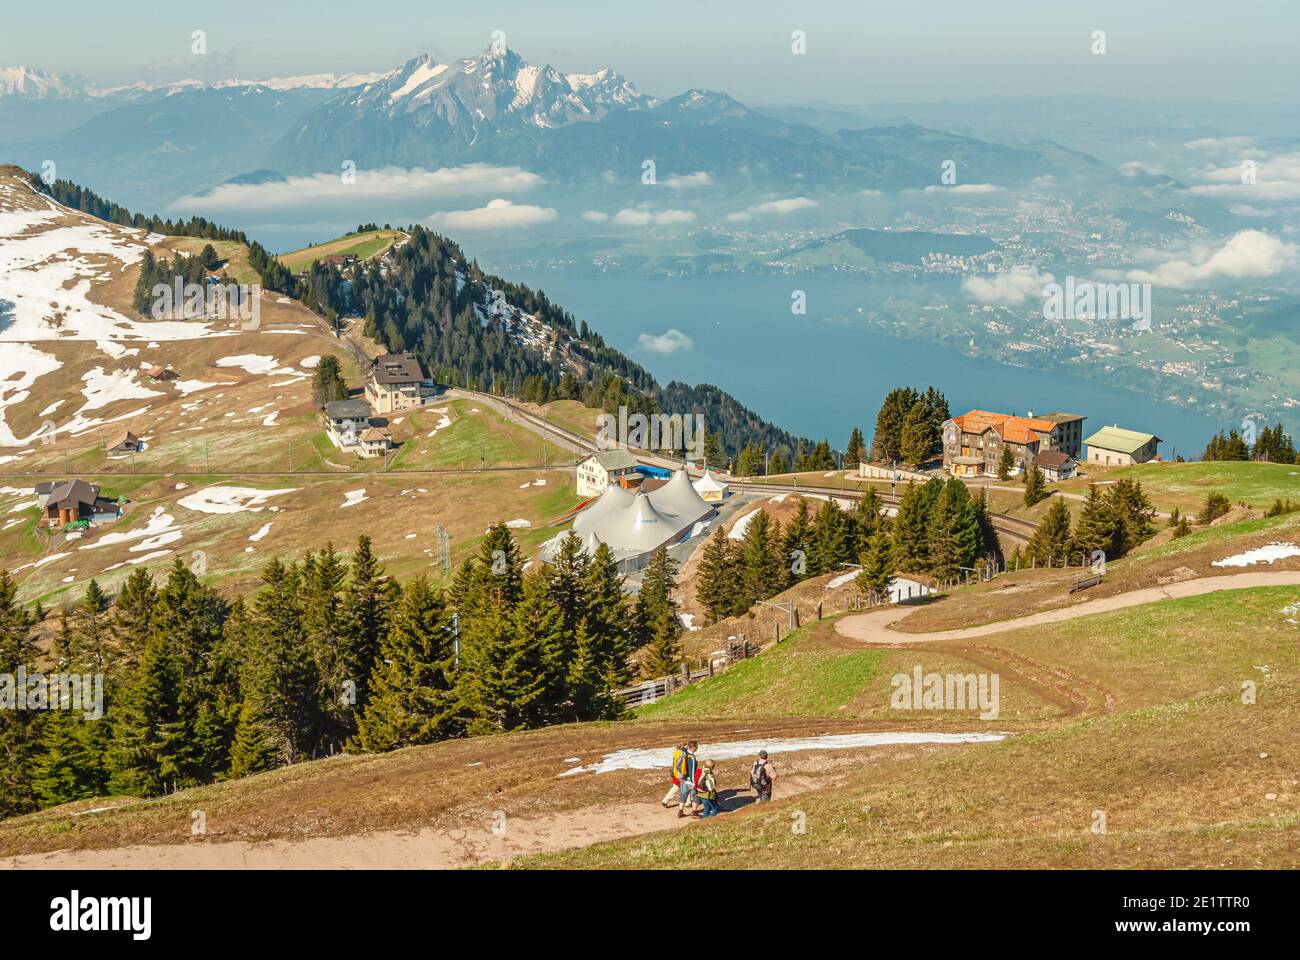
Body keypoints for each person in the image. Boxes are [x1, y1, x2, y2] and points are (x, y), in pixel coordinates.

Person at [678, 740, 699, 817]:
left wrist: (685, 747)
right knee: (695, 796)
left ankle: (680, 811)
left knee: (683, 795)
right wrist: (693, 783)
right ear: (693, 747)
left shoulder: (684, 753)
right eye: (696, 746)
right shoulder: (692, 758)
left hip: (683, 778)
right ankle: (694, 812)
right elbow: (692, 771)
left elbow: (683, 748)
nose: (697, 748)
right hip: (690, 780)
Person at [662, 741, 684, 808]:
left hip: (674, 772)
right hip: (679, 773)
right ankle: (687, 802)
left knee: (676, 787)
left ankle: (665, 800)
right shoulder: (681, 753)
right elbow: (678, 764)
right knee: (684, 787)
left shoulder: (675, 752)